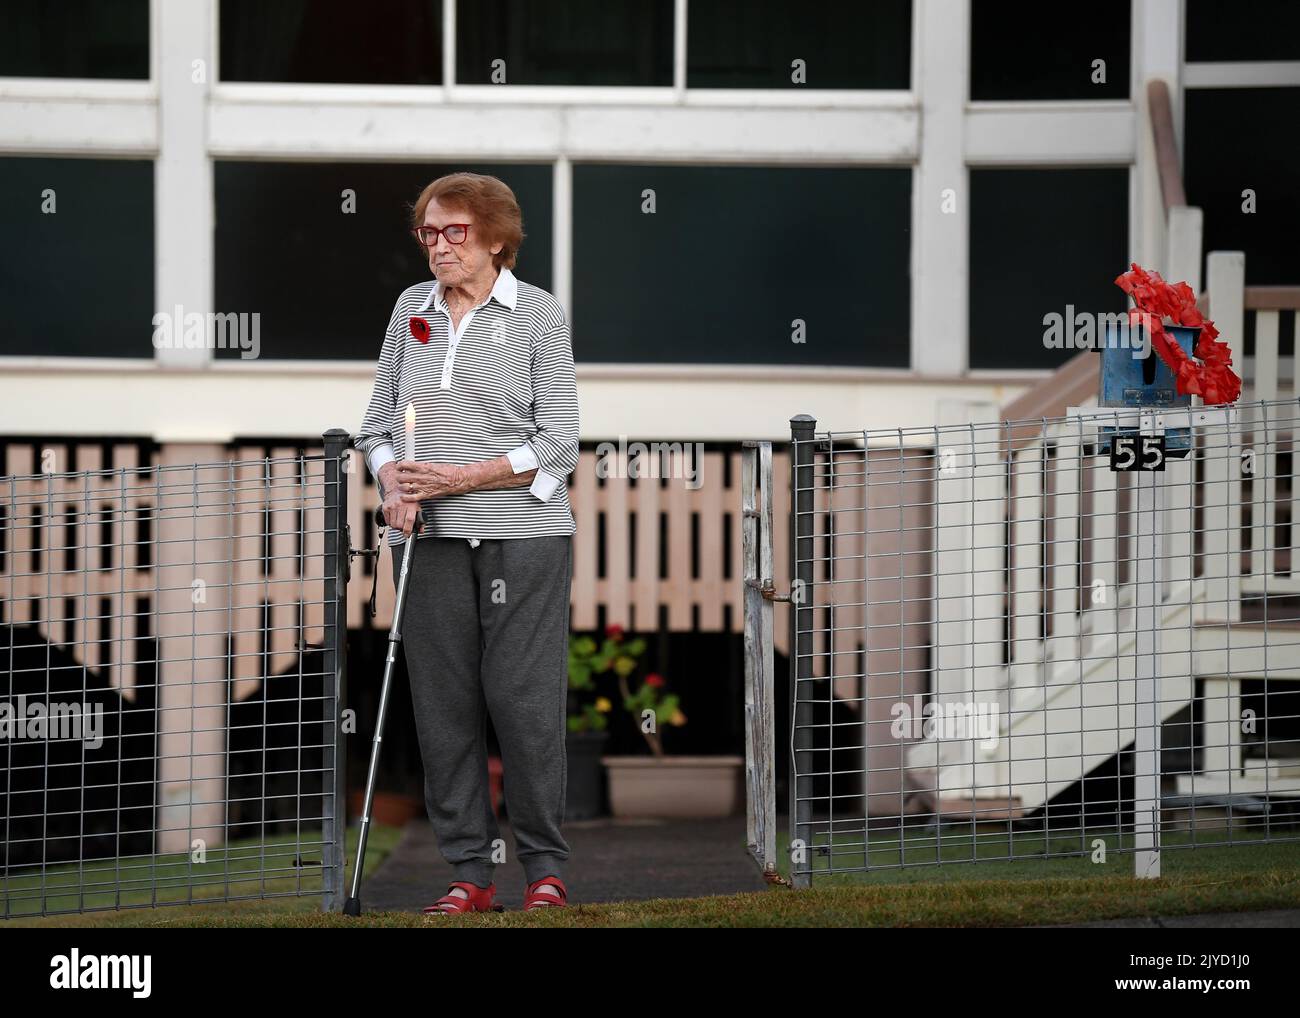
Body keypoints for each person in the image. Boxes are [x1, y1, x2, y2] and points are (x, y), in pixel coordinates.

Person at [353, 172, 579, 913]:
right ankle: (470, 876)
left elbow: (558, 444)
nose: (439, 246)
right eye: (428, 232)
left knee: (522, 701)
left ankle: (545, 870)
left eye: (455, 232)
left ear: (494, 239)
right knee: (443, 707)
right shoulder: (408, 309)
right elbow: (378, 426)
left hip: (525, 538)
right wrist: (394, 487)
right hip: (427, 540)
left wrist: (458, 479)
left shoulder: (539, 314)